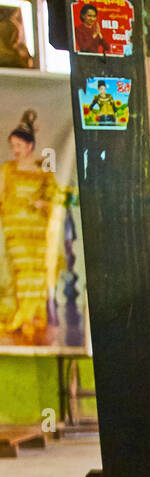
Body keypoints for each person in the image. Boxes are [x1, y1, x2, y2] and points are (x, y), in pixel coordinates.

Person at [0, 110, 61, 344]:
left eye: (18, 144)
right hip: (14, 232)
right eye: (12, 144)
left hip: (37, 233)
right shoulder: (7, 171)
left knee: (38, 275)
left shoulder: (43, 173)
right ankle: (21, 318)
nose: (15, 149)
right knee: (20, 274)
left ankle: (35, 318)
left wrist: (42, 203)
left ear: (29, 145)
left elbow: (56, 199)